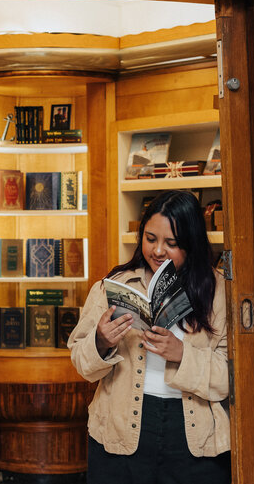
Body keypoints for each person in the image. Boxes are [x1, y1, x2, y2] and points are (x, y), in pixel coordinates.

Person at [68, 190, 230, 483]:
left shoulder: (218, 292)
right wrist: (101, 342)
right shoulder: (113, 285)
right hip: (120, 431)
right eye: (150, 238)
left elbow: (231, 378)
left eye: (172, 243)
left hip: (194, 437)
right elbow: (81, 363)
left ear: (191, 242)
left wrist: (181, 354)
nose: (157, 251)